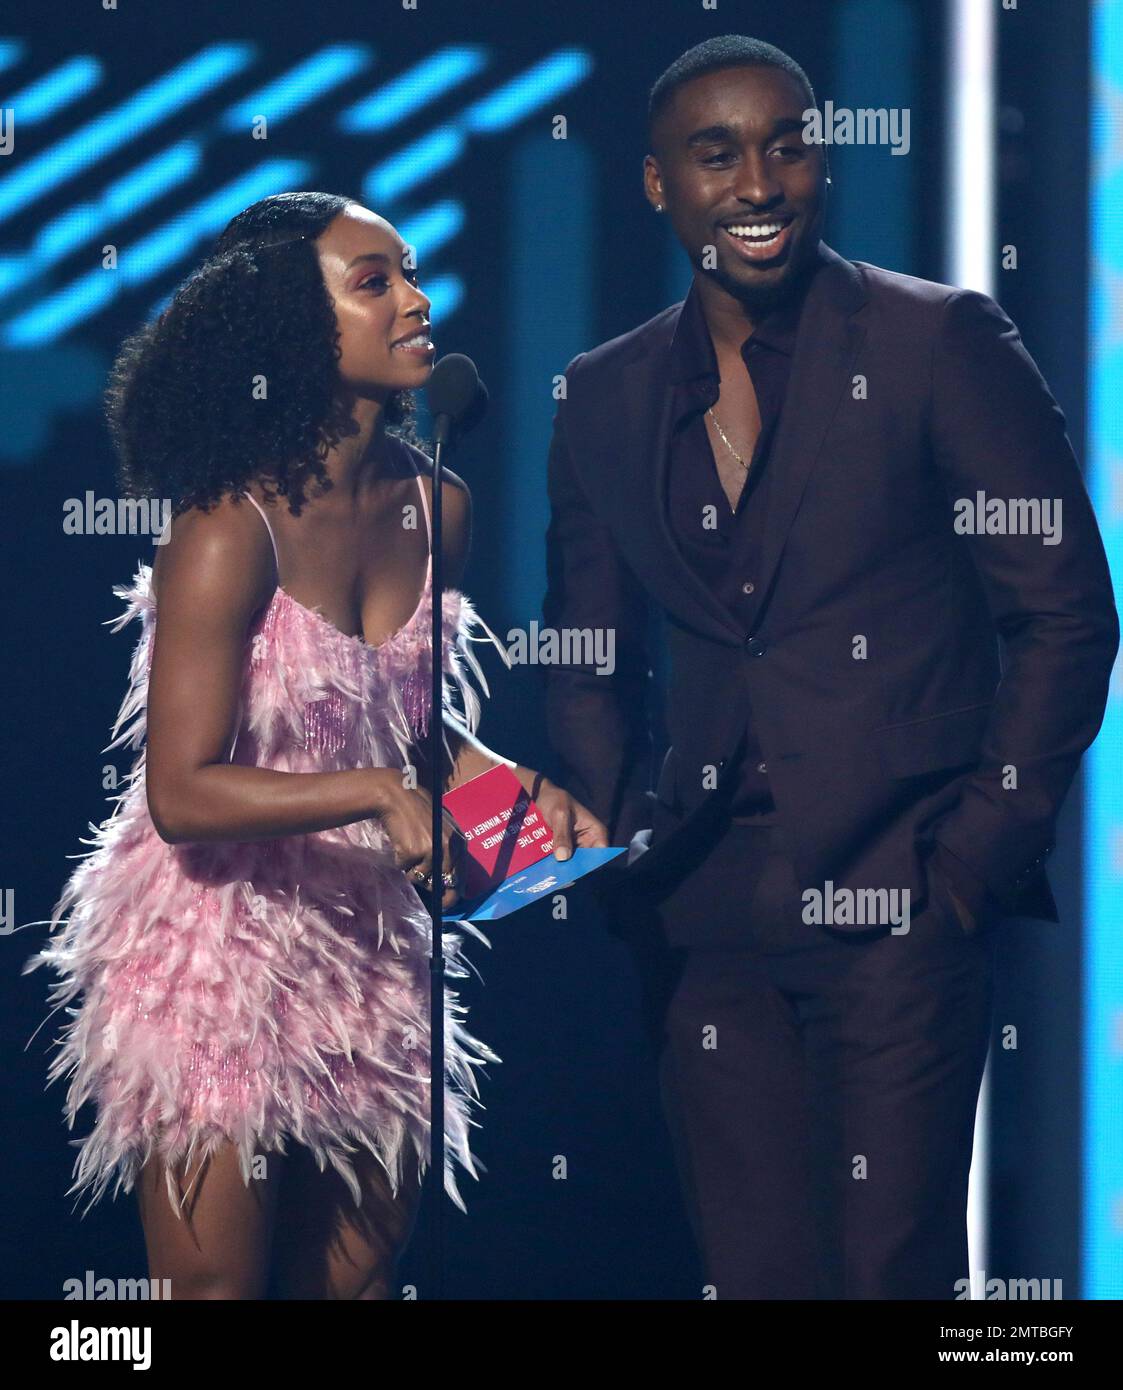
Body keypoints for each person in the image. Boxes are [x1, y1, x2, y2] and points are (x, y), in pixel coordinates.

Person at [542, 37, 1119, 1298]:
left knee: (888, 1274)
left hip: (898, 900)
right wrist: (617, 842)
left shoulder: (939, 341)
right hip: (699, 915)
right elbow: (583, 648)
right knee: (755, 1276)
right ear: (657, 187)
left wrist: (971, 857)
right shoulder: (601, 394)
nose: (760, 182)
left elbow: (1067, 614)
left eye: (787, 145)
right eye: (718, 154)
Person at [25, 191, 607, 1300]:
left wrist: (509, 783)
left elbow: (406, 732)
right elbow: (183, 790)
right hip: (215, 943)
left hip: (366, 943)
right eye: (373, 280)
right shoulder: (224, 524)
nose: (418, 299)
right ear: (294, 326)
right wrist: (383, 795)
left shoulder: (438, 505)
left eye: (412, 271)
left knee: (355, 1287)